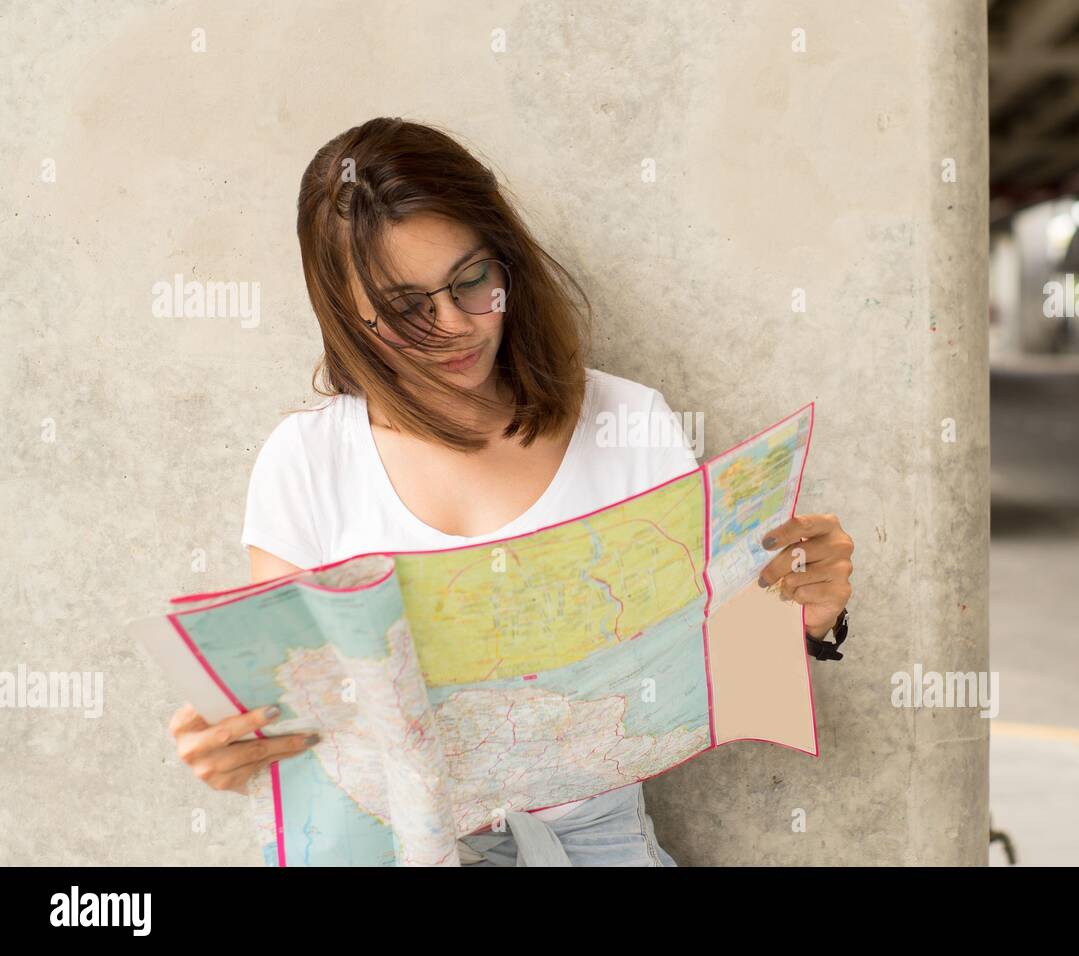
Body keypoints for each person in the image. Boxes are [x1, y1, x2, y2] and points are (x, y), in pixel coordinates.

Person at [166, 117, 855, 866]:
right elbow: (302, 730)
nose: (456, 325)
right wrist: (234, 754)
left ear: (509, 261)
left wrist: (804, 624)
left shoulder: (627, 422)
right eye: (404, 310)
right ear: (347, 317)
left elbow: (696, 677)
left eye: (472, 281)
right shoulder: (306, 461)